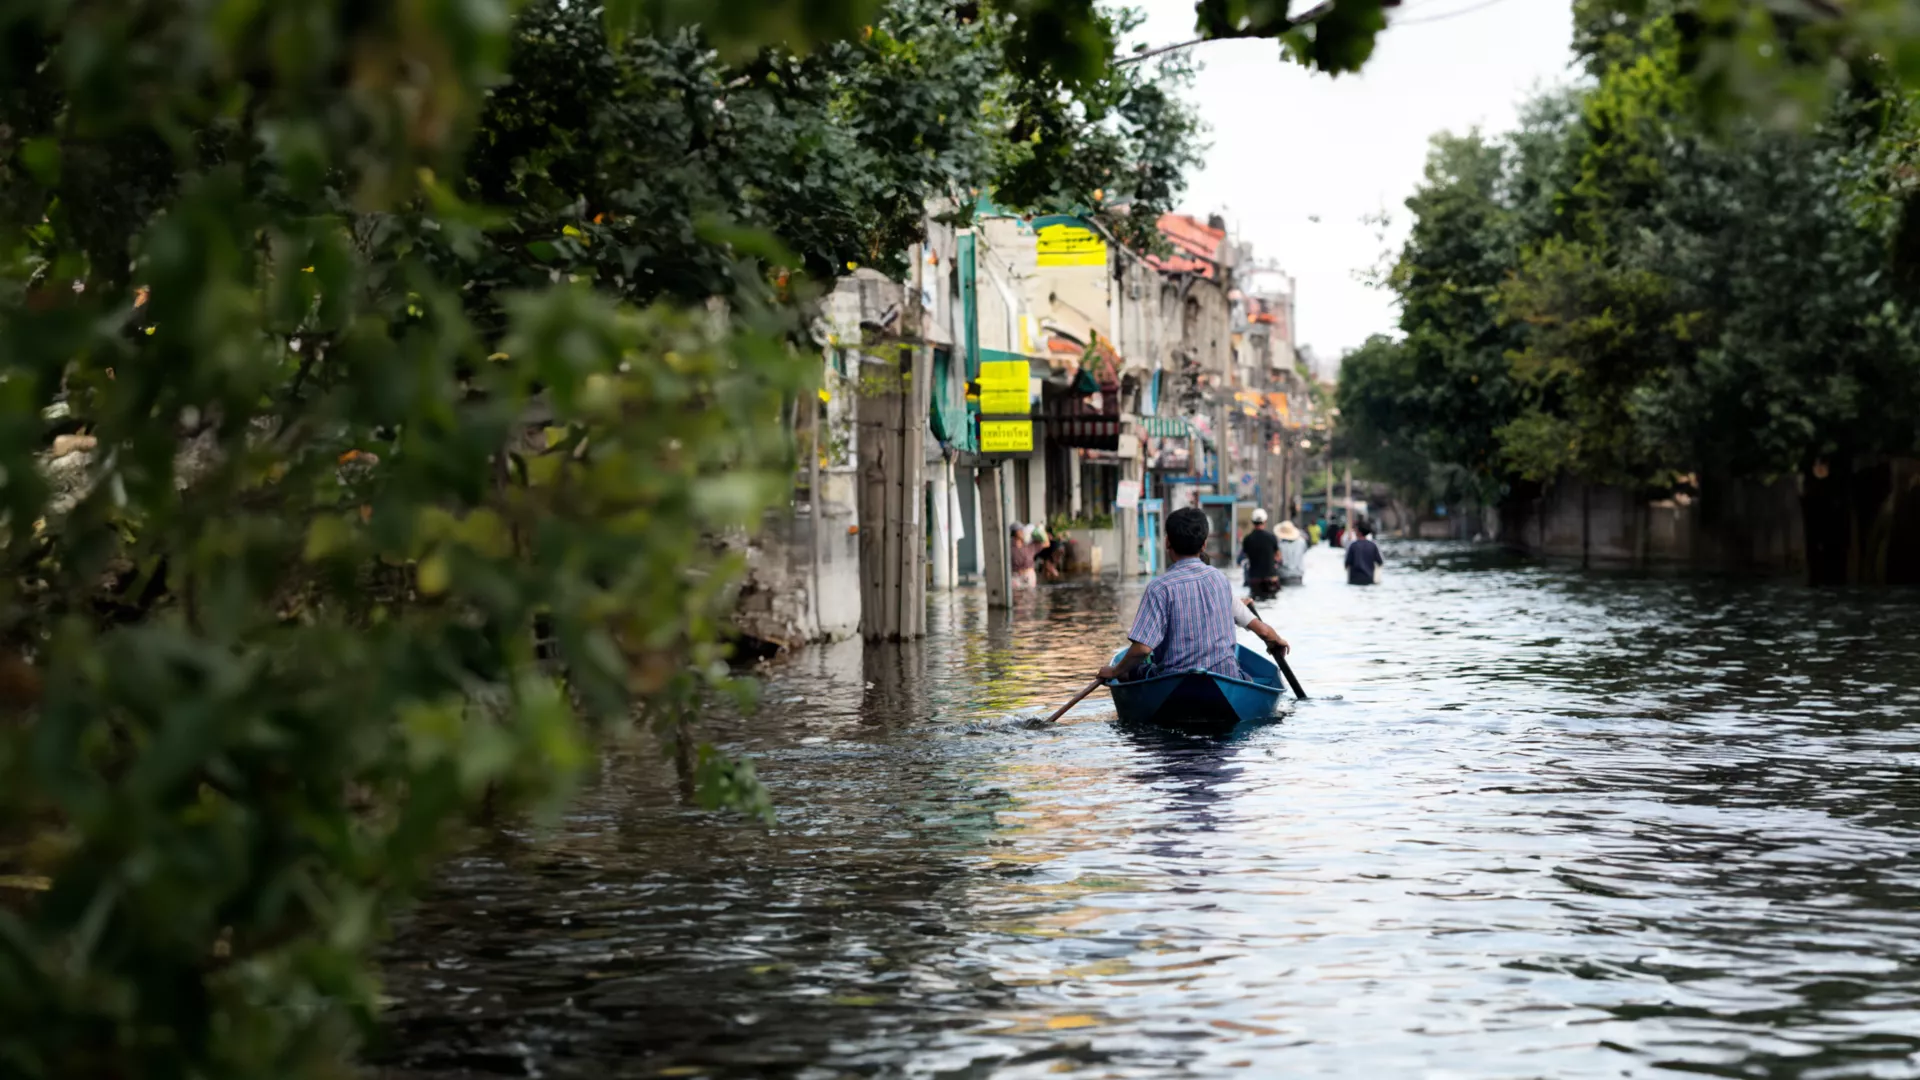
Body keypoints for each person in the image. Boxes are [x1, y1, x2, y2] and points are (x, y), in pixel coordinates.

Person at [1098, 507, 1288, 683]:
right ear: (1204, 545)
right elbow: (1264, 632)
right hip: (1225, 675)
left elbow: (1142, 648)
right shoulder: (1220, 580)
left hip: (1174, 681)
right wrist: (1276, 639)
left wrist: (1115, 672)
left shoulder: (1159, 587)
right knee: (1246, 679)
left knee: (1128, 672)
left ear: (1167, 542)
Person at [1237, 508, 1281, 600]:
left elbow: (1244, 557)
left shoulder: (1247, 539)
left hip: (1255, 580)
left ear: (1252, 522)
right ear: (1265, 521)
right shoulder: (1272, 537)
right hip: (1271, 579)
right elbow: (1278, 557)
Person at [1344, 519, 1384, 585]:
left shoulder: (1353, 546)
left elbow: (1347, 564)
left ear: (1359, 532)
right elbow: (1380, 562)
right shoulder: (1373, 546)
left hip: (1354, 580)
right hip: (1369, 580)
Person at [1275, 519, 1307, 585]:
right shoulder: (1302, 542)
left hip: (1284, 576)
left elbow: (1277, 559)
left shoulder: (1279, 545)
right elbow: (1304, 551)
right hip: (1298, 575)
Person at [1009, 524, 1038, 590]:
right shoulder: (1010, 546)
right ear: (1015, 532)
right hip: (1016, 576)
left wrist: (1039, 530)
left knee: (1030, 594)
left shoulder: (1028, 544)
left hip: (1029, 576)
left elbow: (1046, 543)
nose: (1023, 532)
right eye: (1020, 530)